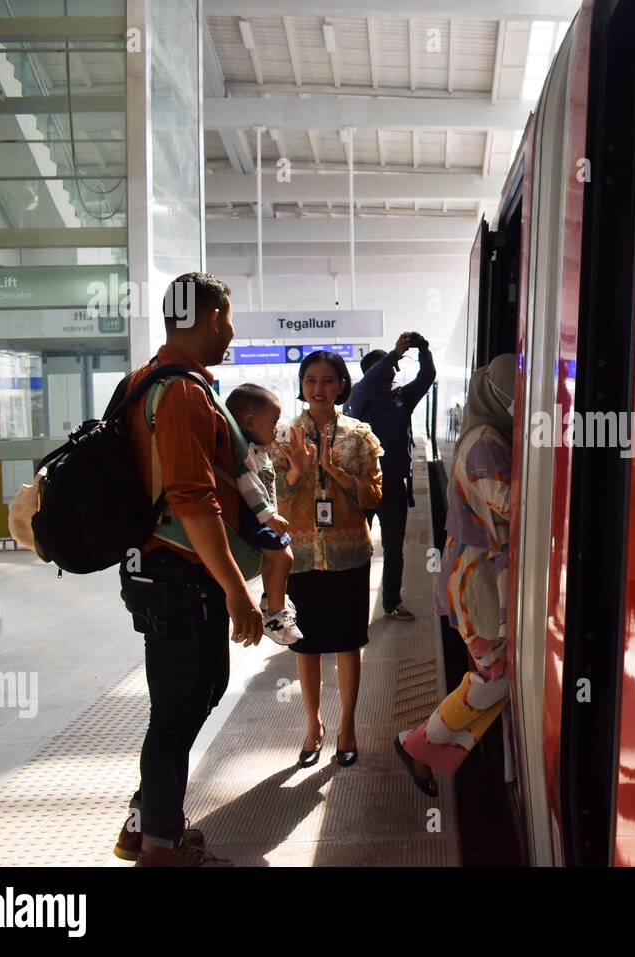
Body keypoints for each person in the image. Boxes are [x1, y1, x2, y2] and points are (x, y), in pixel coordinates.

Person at [114, 272, 264, 867]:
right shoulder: (178, 393)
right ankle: (158, 846)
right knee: (176, 711)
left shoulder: (140, 383)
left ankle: (149, 822)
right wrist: (236, 591)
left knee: (195, 695)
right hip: (179, 577)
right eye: (227, 320)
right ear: (210, 318)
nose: (231, 332)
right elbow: (192, 502)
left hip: (160, 573)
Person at [394, 354, 516, 796]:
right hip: (477, 585)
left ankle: (427, 750)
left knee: (497, 676)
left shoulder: (488, 435)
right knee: (495, 678)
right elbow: (512, 507)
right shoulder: (486, 443)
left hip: (479, 581)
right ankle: (416, 746)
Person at [271, 351, 384, 768]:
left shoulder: (359, 435)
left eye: (328, 381)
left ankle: (348, 727)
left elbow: (373, 496)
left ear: (342, 385)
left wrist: (333, 469)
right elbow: (272, 499)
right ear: (302, 385)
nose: (319, 389)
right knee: (307, 645)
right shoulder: (284, 435)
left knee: (348, 644)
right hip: (300, 558)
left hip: (348, 554)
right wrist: (299, 470)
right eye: (311, 381)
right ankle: (313, 726)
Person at [344, 333, 437, 622]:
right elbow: (370, 381)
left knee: (394, 548)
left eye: (394, 369)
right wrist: (393, 355)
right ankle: (352, 605)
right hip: (361, 485)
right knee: (357, 548)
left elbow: (427, 376)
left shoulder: (402, 398)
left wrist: (424, 348)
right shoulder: (358, 397)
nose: (393, 373)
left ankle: (392, 602)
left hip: (394, 485)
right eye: (389, 368)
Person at [224, 383, 302, 646]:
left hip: (261, 518)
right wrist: (269, 516)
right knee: (283, 557)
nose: (277, 428)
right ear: (249, 422)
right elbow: (251, 487)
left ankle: (273, 603)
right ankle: (275, 615)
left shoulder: (259, 450)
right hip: (254, 519)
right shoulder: (246, 453)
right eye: (274, 421)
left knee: (280, 559)